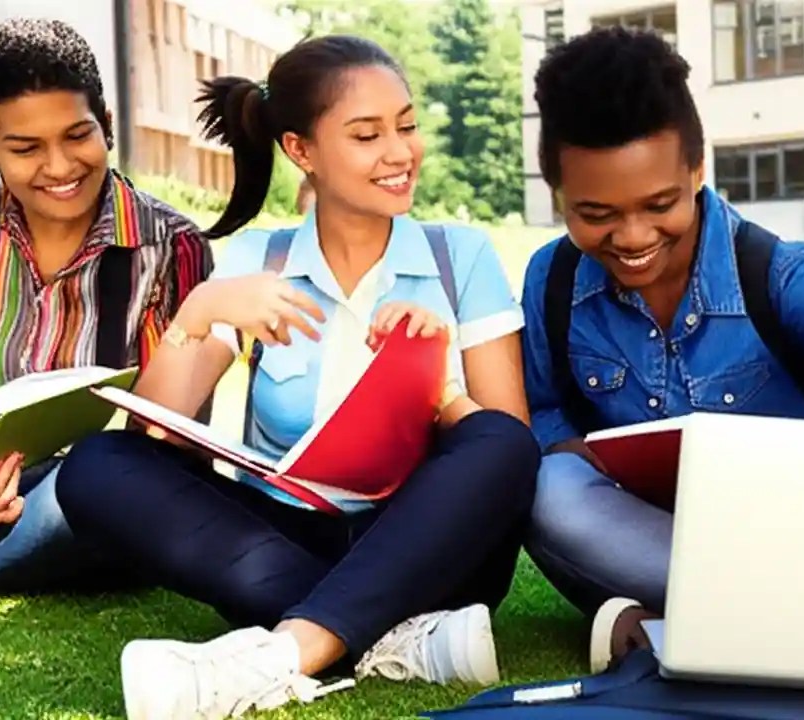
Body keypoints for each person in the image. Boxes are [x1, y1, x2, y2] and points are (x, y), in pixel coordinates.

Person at [52, 35, 537, 719]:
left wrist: (440, 392)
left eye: (406, 126)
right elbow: (152, 431)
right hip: (279, 540)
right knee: (98, 464)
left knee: (505, 444)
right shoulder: (259, 259)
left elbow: (504, 454)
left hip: (427, 546)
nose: (400, 153)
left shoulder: (461, 257)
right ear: (300, 150)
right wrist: (200, 311)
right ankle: (392, 640)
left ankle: (279, 655)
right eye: (367, 135)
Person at [520, 26, 804, 674]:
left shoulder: (777, 271)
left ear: (697, 171)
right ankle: (783, 620)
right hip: (647, 538)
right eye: (596, 213)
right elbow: (543, 415)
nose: (632, 236)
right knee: (546, 484)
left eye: (660, 204)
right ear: (558, 190)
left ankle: (675, 626)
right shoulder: (552, 280)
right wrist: (593, 460)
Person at [0, 18, 211, 594]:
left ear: (106, 125)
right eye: (26, 148)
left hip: (90, 499)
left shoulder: (170, 248)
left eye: (77, 135)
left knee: (108, 494)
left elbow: (172, 444)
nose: (60, 167)